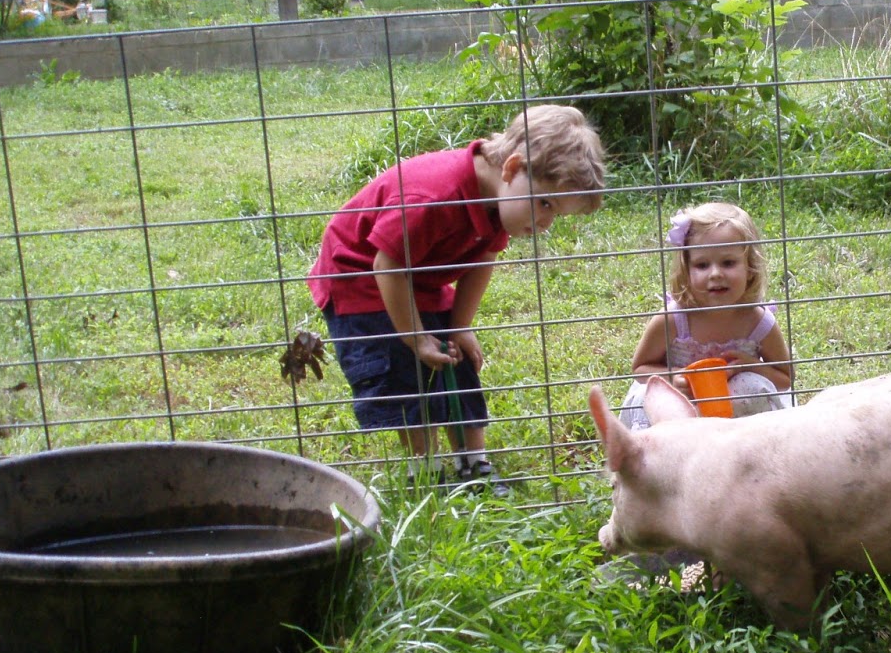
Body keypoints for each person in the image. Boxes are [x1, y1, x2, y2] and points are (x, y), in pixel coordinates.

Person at [308, 103, 606, 495]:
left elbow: (483, 259)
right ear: (512, 168)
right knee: (407, 369)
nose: (546, 223)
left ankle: (474, 463)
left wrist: (459, 326)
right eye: (545, 204)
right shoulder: (435, 195)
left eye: (557, 214)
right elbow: (387, 264)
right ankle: (424, 469)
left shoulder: (500, 200)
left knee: (455, 356)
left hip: (419, 273)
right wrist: (416, 337)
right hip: (363, 277)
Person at [620, 201, 793, 430]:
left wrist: (750, 366)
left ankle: (750, 448)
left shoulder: (757, 321)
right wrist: (675, 377)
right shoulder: (674, 319)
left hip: (736, 414)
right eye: (702, 265)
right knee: (650, 397)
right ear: (686, 271)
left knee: (752, 386)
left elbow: (785, 378)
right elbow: (640, 369)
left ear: (750, 268)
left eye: (728, 263)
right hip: (681, 409)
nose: (715, 274)